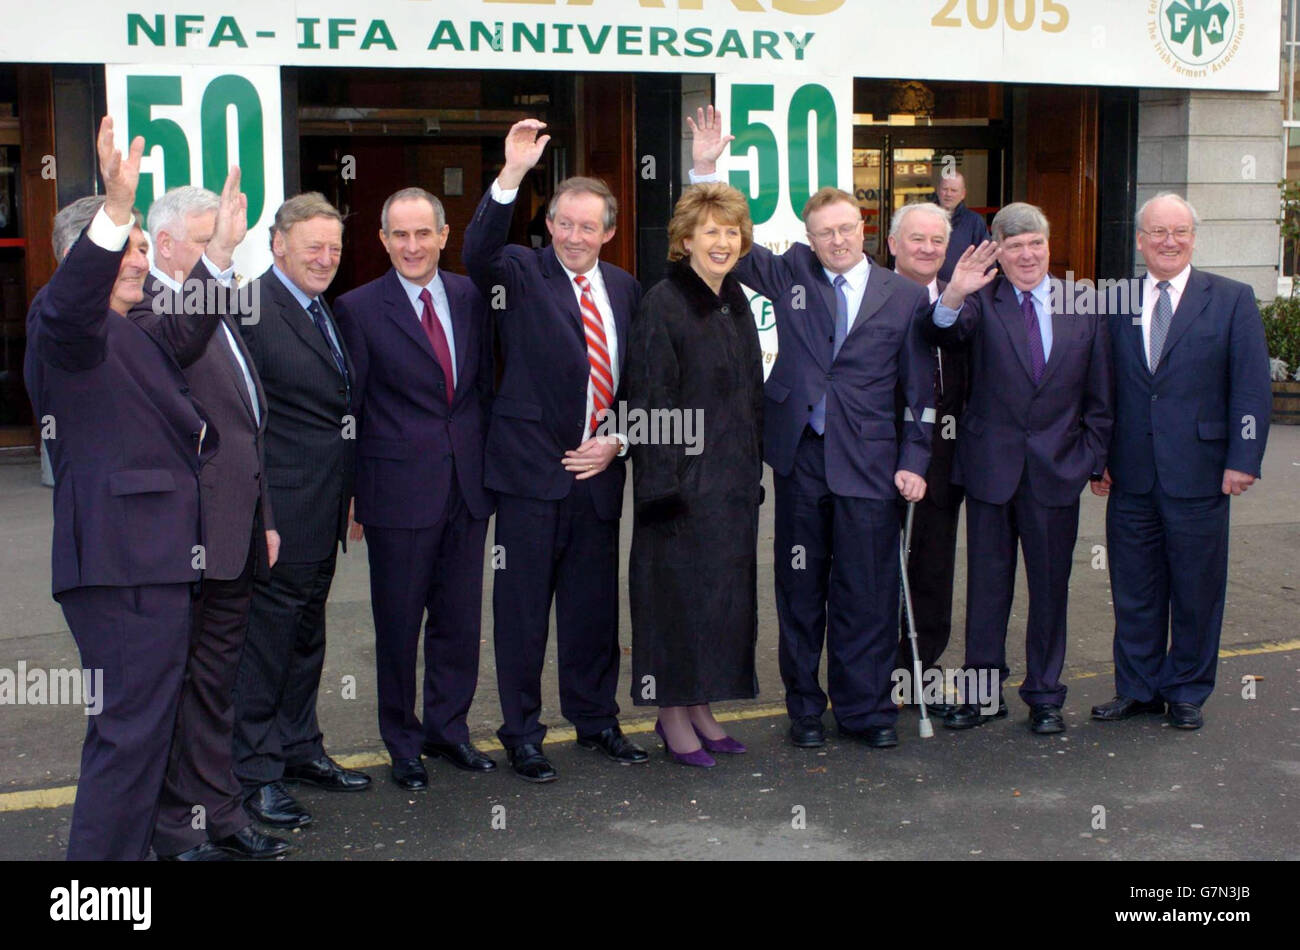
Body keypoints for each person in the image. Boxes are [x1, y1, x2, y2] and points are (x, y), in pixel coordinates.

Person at [689, 105, 935, 751]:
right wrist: (705, 168)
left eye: (846, 228)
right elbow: (722, 246)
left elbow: (920, 390)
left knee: (867, 593)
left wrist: (916, 459)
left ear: (864, 227)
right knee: (799, 593)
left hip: (872, 467)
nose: (836, 241)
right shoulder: (790, 271)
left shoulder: (903, 295)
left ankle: (866, 709)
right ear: (809, 236)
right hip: (799, 460)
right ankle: (804, 709)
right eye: (823, 232)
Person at [24, 118, 218, 860]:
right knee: (129, 734)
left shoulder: (132, 327)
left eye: (142, 244)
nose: (143, 259)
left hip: (154, 560)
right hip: (121, 563)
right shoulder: (64, 323)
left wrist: (217, 250)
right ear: (85, 258)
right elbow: (74, 303)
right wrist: (114, 204)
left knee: (144, 731)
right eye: (131, 246)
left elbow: (191, 334)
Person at [463, 119, 648, 782]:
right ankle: (522, 731)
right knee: (520, 615)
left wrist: (618, 442)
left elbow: (639, 383)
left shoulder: (626, 289)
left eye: (586, 226)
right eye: (562, 224)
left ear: (608, 231)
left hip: (598, 479)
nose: (573, 236)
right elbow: (479, 249)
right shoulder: (518, 269)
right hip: (529, 477)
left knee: (594, 613)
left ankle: (596, 719)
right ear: (549, 225)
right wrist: (511, 174)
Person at [127, 184, 289, 859]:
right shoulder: (145, 313)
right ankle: (176, 830)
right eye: (200, 242)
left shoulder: (204, 303)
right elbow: (183, 340)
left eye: (213, 245)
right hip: (182, 543)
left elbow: (245, 426)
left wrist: (267, 518)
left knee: (215, 689)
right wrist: (221, 256)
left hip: (236, 533)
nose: (211, 262)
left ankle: (220, 816)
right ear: (166, 245)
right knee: (177, 691)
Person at [927, 203, 1113, 734]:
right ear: (998, 250)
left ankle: (1046, 695)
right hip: (990, 470)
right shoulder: (980, 301)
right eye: (1014, 246)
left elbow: (1101, 393)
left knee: (1051, 588)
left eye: (1035, 243)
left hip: (1057, 471)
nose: (1027, 254)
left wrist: (1092, 458)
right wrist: (955, 290)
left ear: (1049, 245)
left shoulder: (1084, 302)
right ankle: (984, 694)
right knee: (987, 589)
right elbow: (941, 332)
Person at [334, 188, 496, 790]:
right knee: (399, 625)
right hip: (396, 491)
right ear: (382, 240)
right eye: (399, 235)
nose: (412, 246)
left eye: (422, 233)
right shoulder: (356, 308)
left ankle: (448, 730)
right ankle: (401, 741)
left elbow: (481, 389)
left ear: (443, 235)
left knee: (457, 621)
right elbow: (349, 406)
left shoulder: (470, 297)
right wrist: (351, 491)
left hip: (468, 487)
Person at [1090, 193, 1271, 730]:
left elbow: (1251, 389)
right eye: (1157, 232)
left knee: (1196, 588)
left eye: (1180, 231)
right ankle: (1138, 688)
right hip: (1130, 472)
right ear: (1140, 240)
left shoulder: (1232, 298)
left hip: (1202, 470)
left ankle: (1188, 688)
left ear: (1195, 236)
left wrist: (1244, 459)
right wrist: (1097, 458)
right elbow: (1101, 386)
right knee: (1134, 588)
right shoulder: (1114, 298)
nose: (1169, 241)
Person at [234, 193, 370, 828]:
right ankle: (254, 773)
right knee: (265, 644)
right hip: (278, 515)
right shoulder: (251, 308)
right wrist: (258, 514)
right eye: (312, 246)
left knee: (305, 638)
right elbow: (243, 421)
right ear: (277, 245)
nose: (325, 257)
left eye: (334, 248)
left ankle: (298, 749)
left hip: (323, 507)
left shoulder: (323, 309)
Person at [626, 182, 763, 767]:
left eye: (731, 231)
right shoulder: (663, 302)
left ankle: (703, 707)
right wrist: (661, 491)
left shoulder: (734, 299)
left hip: (731, 486)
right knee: (675, 604)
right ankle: (670, 716)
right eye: (710, 231)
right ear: (685, 241)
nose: (723, 241)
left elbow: (749, 395)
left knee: (721, 603)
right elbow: (650, 401)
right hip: (679, 491)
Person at [887, 202, 968, 712]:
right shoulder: (875, 296)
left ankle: (921, 673)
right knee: (877, 570)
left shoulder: (966, 300)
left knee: (933, 570)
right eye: (916, 239)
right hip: (882, 455)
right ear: (893, 244)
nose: (927, 249)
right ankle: (874, 675)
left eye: (937, 241)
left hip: (948, 456)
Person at [935, 171, 990, 284]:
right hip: (925, 291)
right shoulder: (924, 218)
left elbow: (986, 261)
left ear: (963, 194)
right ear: (938, 190)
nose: (948, 194)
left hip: (963, 292)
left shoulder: (975, 222)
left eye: (954, 190)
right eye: (945, 189)